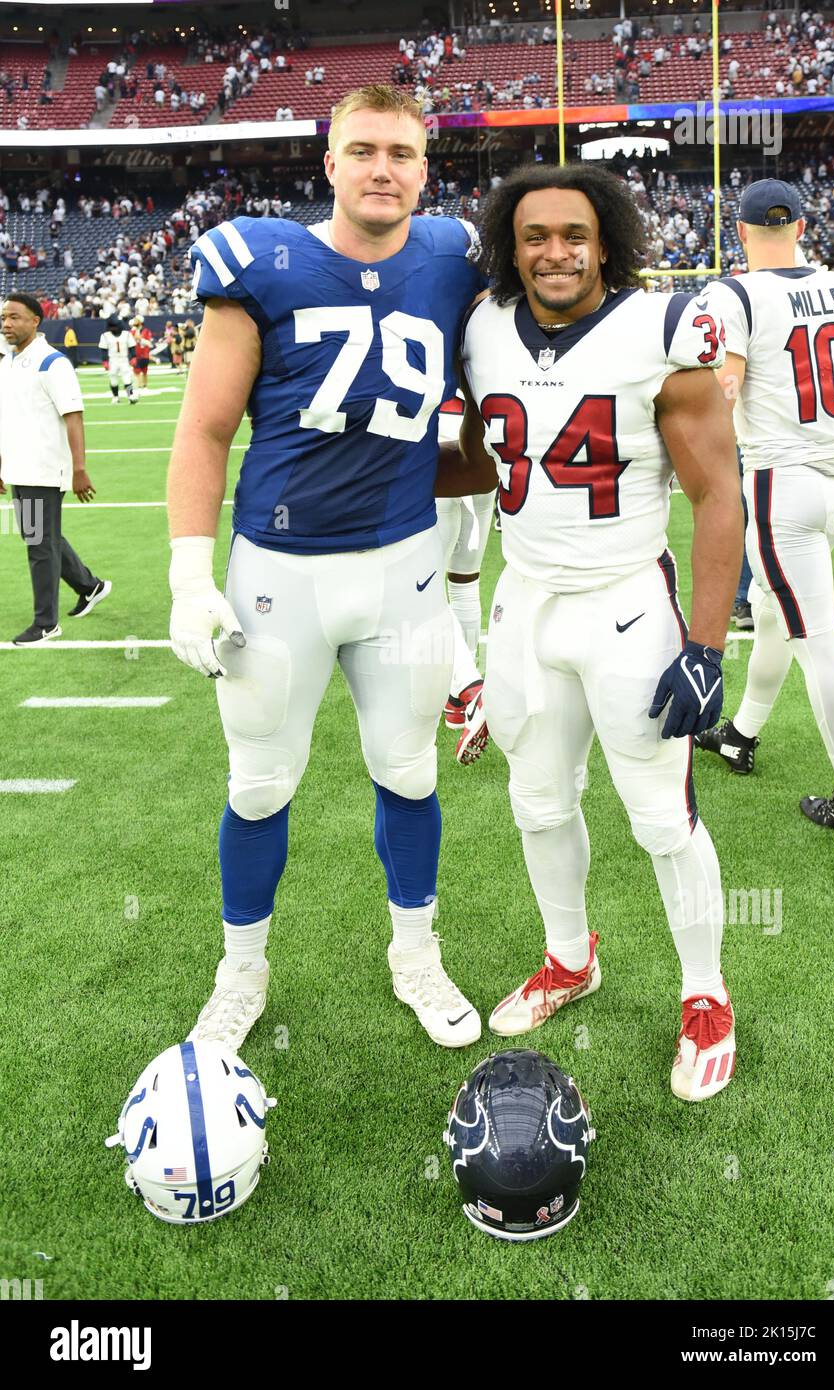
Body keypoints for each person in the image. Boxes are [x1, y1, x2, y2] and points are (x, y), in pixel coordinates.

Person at [167, 85, 486, 1052]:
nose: (382, 169)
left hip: (406, 566)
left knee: (409, 772)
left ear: (425, 170)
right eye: (363, 151)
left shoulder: (451, 257)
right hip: (281, 574)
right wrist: (189, 569)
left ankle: (417, 954)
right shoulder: (260, 259)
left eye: (402, 152)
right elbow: (207, 426)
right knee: (260, 784)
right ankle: (242, 972)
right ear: (331, 164)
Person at [437, 164, 742, 1101]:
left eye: (574, 234)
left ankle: (706, 993)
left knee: (660, 817)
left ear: (606, 240)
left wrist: (704, 644)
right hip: (523, 604)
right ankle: (571, 957)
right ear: (510, 244)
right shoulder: (482, 327)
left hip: (625, 603)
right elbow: (495, 464)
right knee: (538, 804)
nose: (555, 252)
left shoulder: (660, 330)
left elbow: (716, 494)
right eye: (535, 237)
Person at [698, 180, 834, 837]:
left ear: (740, 231)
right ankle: (741, 733)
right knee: (770, 611)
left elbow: (727, 382)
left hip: (781, 486)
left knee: (816, 643)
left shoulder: (735, 292)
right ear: (801, 225)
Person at [0, 293, 110, 645]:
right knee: (40, 536)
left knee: (38, 543)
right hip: (21, 468)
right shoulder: (8, 362)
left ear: (36, 320)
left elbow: (73, 417)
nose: (6, 324)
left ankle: (46, 623)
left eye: (15, 317)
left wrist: (79, 468)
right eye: (3, 318)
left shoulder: (52, 362)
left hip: (45, 469)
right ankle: (90, 586)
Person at [435, 393, 496, 763]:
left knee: (424, 592)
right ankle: (457, 700)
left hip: (436, 441)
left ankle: (470, 689)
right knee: (465, 581)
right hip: (483, 442)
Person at [99, 316, 138, 404]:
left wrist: (134, 357)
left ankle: (130, 396)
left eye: (115, 326)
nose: (114, 328)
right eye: (112, 326)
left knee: (127, 378)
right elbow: (103, 349)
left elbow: (132, 346)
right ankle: (115, 396)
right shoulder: (105, 336)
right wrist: (104, 361)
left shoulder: (126, 334)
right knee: (113, 378)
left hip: (124, 359)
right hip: (112, 359)